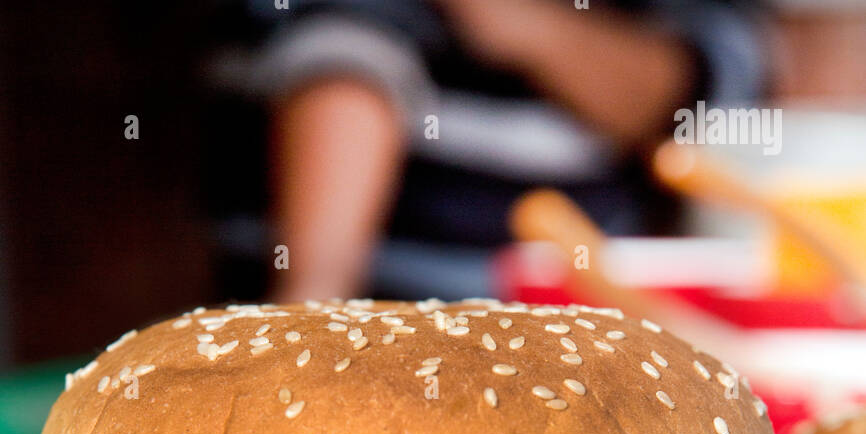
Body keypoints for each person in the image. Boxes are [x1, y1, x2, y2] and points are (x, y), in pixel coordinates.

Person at [232, 0, 772, 300]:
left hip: (588, 310)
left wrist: (526, 28)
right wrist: (312, 311)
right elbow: (341, 66)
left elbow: (698, 90)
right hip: (377, 296)